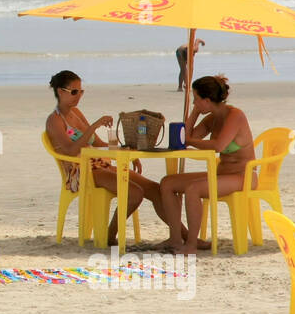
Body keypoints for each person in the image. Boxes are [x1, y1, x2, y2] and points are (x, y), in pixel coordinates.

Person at [44, 70, 165, 246]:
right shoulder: (54, 121)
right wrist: (93, 126)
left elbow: (99, 144)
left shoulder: (76, 113)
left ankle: (181, 235)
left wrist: (126, 152)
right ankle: (109, 235)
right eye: (74, 92)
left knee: (155, 189)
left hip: (101, 164)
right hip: (81, 171)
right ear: (61, 92)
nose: (79, 96)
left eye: (81, 91)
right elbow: (70, 151)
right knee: (134, 192)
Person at [158, 75, 255, 254]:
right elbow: (185, 139)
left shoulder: (235, 115)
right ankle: (175, 238)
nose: (194, 102)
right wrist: (195, 112)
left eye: (196, 99)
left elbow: (218, 145)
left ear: (207, 100)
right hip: (221, 174)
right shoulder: (212, 118)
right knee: (167, 183)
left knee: (193, 189)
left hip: (243, 176)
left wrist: (190, 141)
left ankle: (192, 245)